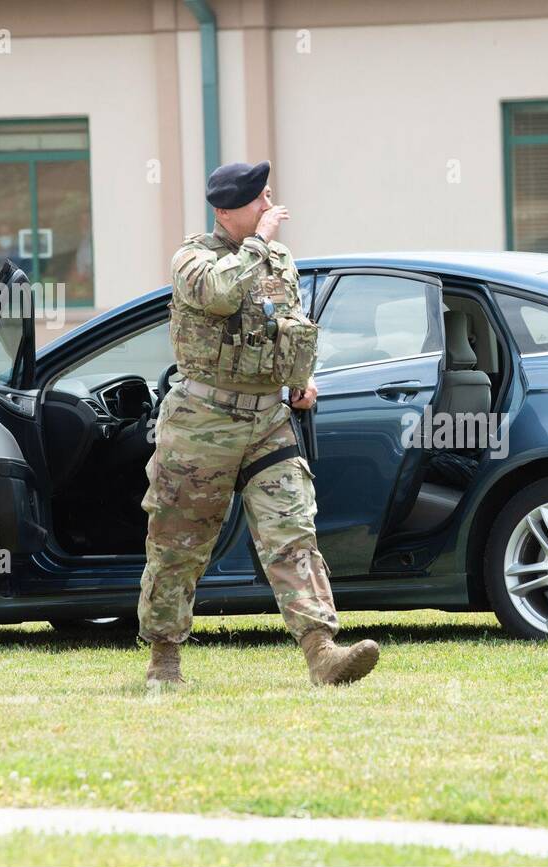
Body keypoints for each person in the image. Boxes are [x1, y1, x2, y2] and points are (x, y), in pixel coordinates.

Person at [139, 160, 379, 687]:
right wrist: (258, 245)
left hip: (268, 419)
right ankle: (164, 659)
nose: (270, 207)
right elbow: (222, 295)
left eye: (269, 195)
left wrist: (300, 377)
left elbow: (285, 320)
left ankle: (323, 653)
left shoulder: (278, 258)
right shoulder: (192, 259)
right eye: (259, 200)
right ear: (226, 211)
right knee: (179, 544)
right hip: (203, 422)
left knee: (292, 533)